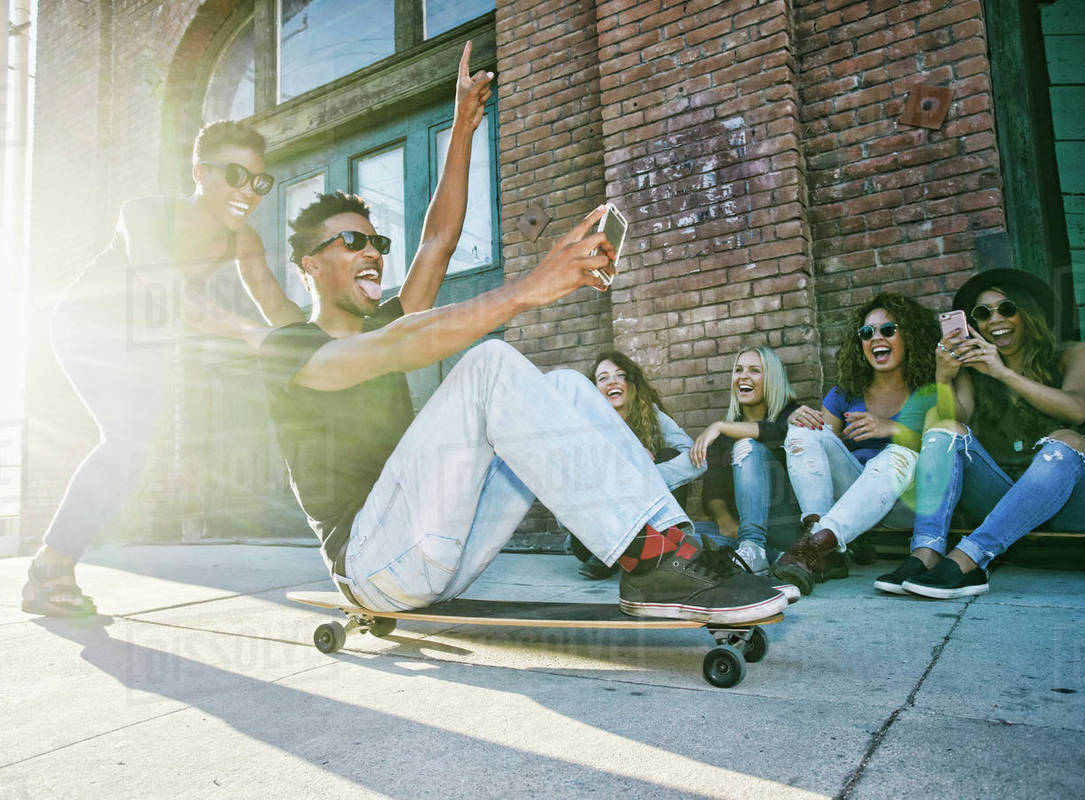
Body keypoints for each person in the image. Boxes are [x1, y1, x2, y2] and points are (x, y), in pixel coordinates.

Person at [257, 45, 787, 625]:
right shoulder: (288, 348)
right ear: (310, 264)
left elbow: (437, 242)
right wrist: (528, 289)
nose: (374, 256)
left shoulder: (387, 321)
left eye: (378, 244)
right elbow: (395, 346)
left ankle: (670, 548)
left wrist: (461, 126)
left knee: (562, 386)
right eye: (352, 243)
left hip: (445, 553)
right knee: (488, 365)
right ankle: (652, 553)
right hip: (373, 564)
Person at [22, 120, 304, 617]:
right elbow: (175, 296)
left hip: (145, 341)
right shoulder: (144, 214)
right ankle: (49, 570)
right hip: (86, 326)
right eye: (236, 175)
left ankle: (51, 564)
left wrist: (329, 344)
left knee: (136, 449)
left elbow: (279, 310)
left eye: (259, 182)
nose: (249, 192)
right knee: (127, 441)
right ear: (200, 172)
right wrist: (247, 333)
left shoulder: (243, 240)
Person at [879, 270, 1085, 598]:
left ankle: (969, 560)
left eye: (1006, 308)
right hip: (1008, 503)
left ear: (1029, 313)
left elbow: (1076, 408)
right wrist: (943, 378)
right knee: (944, 428)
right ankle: (925, 552)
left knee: (1068, 441)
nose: (995, 319)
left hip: (1082, 509)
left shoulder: (1073, 354)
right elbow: (951, 422)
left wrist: (1003, 373)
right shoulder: (974, 371)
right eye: (983, 314)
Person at [770, 292, 938, 596]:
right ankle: (819, 545)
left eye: (888, 330)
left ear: (910, 336)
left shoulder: (929, 392)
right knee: (803, 430)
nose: (876, 338)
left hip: (906, 499)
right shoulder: (845, 392)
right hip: (854, 497)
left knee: (897, 454)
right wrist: (799, 419)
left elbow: (945, 452)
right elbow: (819, 450)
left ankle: (816, 546)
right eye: (867, 332)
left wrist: (892, 428)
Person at [567, 351, 705, 579]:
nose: (612, 381)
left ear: (631, 383)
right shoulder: (585, 428)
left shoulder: (653, 416)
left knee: (668, 454)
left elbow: (696, 461)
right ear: (594, 391)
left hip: (649, 529)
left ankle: (634, 552)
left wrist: (642, 476)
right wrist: (627, 459)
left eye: (620, 375)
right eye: (602, 378)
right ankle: (631, 552)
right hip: (593, 540)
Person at [689, 346, 801, 575]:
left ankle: (758, 547)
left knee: (747, 446)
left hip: (785, 526)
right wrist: (725, 518)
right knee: (681, 537)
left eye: (755, 371)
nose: (743, 377)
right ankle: (769, 555)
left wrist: (720, 426)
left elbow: (775, 432)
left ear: (772, 378)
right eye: (738, 370)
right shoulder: (723, 437)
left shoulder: (791, 417)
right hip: (742, 529)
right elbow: (713, 490)